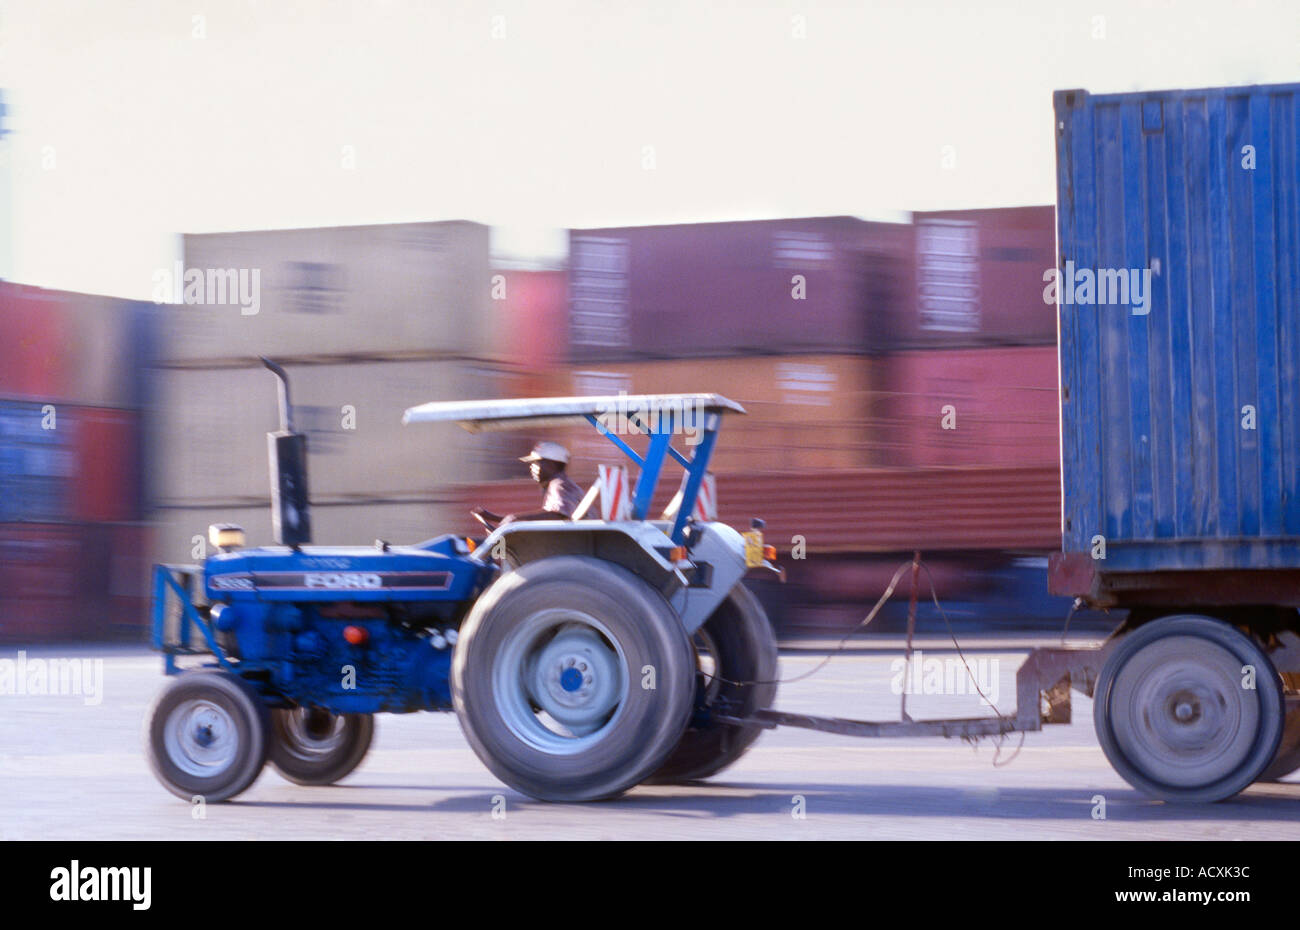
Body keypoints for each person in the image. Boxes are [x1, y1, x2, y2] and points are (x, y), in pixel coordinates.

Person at [472, 441, 584, 530]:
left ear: (552, 463)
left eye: (536, 462)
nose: (531, 467)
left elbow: (559, 516)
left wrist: (515, 518)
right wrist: (498, 519)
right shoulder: (557, 484)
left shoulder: (559, 485)